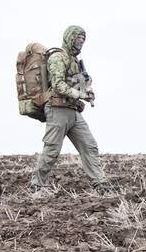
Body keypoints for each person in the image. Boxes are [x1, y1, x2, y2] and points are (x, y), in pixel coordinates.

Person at [30, 25, 116, 192]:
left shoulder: (75, 61)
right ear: (69, 38)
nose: (80, 42)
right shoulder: (58, 57)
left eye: (83, 39)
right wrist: (80, 94)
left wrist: (87, 91)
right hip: (57, 109)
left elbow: (77, 84)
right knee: (52, 150)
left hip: (73, 111)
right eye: (78, 38)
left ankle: (100, 183)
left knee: (89, 146)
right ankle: (36, 185)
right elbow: (58, 85)